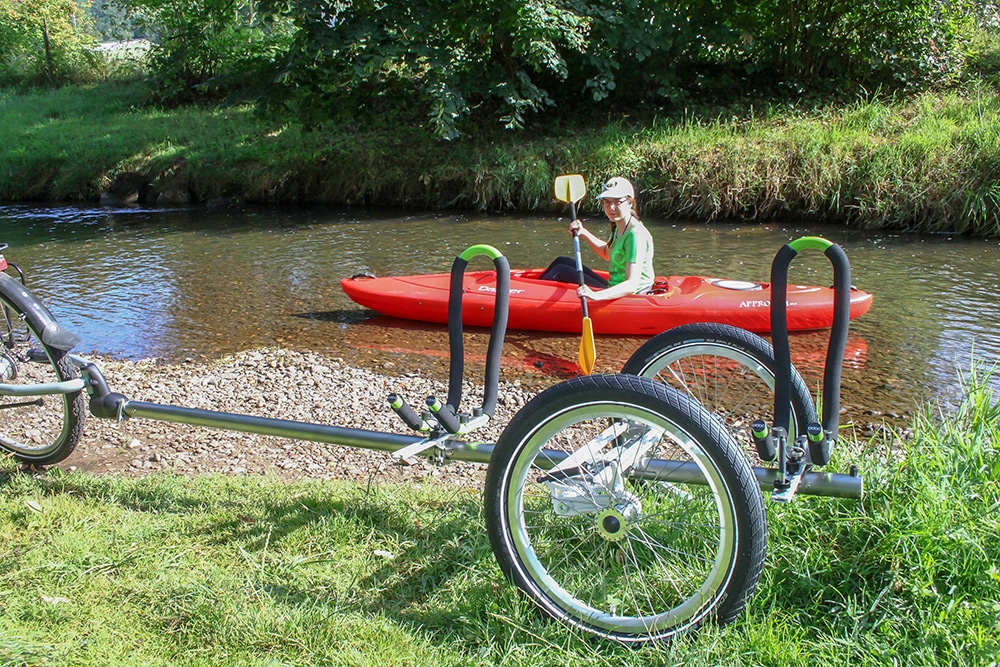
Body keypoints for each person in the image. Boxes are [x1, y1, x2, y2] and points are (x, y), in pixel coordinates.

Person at [540, 177, 655, 301]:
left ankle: (532, 299)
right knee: (562, 261)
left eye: (618, 202)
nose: (611, 207)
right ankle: (529, 288)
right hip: (614, 286)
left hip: (631, 297)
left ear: (630, 203)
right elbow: (607, 253)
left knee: (561, 271)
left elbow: (631, 285)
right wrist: (583, 232)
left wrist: (595, 295)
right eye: (607, 202)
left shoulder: (635, 236)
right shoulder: (620, 226)